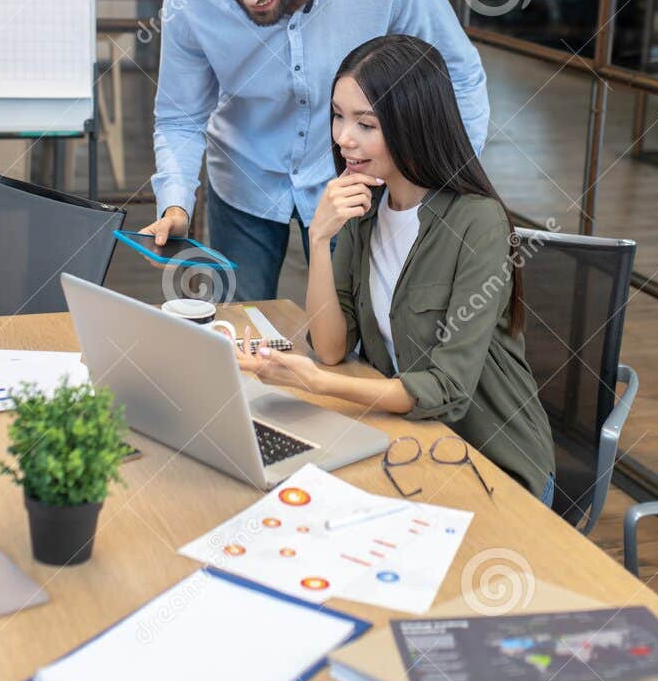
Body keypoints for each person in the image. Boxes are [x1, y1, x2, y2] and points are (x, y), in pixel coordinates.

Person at [144, 0, 489, 298]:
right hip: (243, 178)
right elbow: (180, 117)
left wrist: (443, 186)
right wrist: (176, 202)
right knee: (240, 330)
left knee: (354, 337)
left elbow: (458, 74)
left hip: (358, 183)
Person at [238, 34, 555, 503]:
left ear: (413, 125)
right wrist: (319, 239)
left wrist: (318, 384)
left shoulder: (478, 221)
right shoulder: (366, 201)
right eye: (338, 116)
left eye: (365, 124)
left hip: (493, 463)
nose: (344, 138)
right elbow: (330, 347)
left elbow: (447, 388)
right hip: (412, 443)